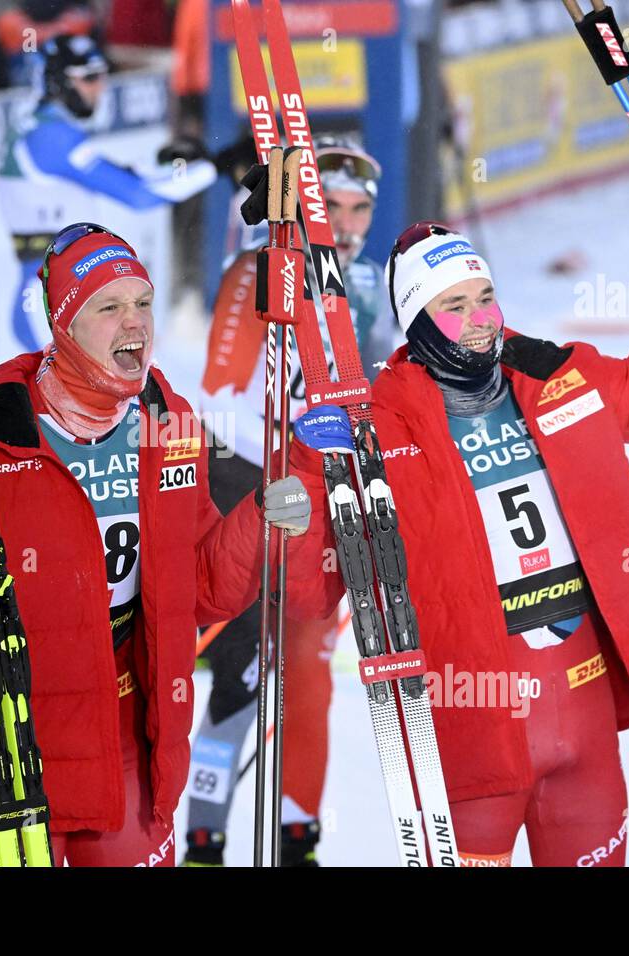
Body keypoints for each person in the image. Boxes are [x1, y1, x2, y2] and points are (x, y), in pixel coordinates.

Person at [286, 200, 629, 866]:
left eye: (485, 298)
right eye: (454, 307)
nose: (479, 322)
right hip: (470, 737)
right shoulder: (377, 420)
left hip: (583, 716)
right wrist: (306, 470)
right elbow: (307, 590)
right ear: (416, 321)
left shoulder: (553, 375)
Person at [0, 223, 310, 866]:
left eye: (143, 303)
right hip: (13, 749)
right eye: (108, 306)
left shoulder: (164, 415)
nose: (134, 323)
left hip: (129, 744)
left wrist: (258, 524)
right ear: (64, 323)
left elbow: (202, 589)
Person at [185, 136, 392, 866]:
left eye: (359, 208)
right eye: (330, 208)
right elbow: (217, 394)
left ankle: (297, 838)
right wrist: (283, 459)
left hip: (329, 499)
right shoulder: (255, 270)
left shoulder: (368, 284)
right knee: (242, 675)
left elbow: (392, 393)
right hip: (250, 485)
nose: (348, 222)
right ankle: (202, 840)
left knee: (308, 674)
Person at [0, 34, 215, 352]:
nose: (100, 87)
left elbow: (128, 175)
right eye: (88, 77)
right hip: (49, 296)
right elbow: (139, 196)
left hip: (50, 290)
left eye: (101, 76)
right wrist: (213, 167)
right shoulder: (51, 135)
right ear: (58, 83)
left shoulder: (43, 127)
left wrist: (174, 165)